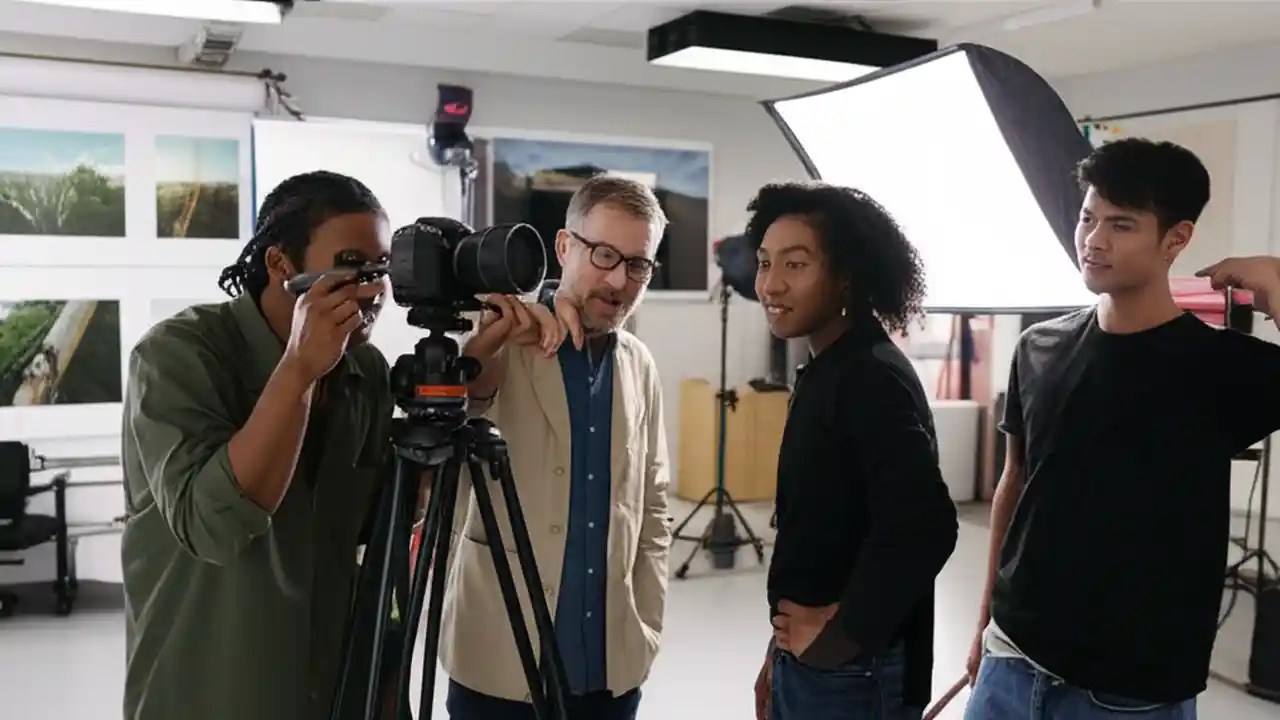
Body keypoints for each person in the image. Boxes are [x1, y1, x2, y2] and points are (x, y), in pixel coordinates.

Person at [120, 170, 562, 720]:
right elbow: (214, 525)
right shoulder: (179, 355)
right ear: (281, 264)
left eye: (381, 270)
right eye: (351, 266)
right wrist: (299, 370)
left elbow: (382, 520)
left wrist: (465, 387)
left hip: (336, 684)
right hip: (212, 687)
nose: (373, 290)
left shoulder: (362, 369)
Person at [964, 138, 1280, 719]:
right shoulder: (1038, 347)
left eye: (1121, 225)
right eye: (1088, 218)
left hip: (1128, 687)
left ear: (1176, 238)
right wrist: (985, 620)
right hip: (1012, 657)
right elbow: (1015, 482)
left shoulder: (1224, 366)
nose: (1094, 240)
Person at [439, 174, 673, 720]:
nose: (619, 280)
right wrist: (493, 339)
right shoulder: (501, 334)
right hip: (498, 657)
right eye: (605, 255)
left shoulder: (639, 364)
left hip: (608, 667)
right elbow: (457, 414)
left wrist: (646, 623)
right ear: (565, 247)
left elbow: (654, 505)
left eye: (638, 265)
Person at [748, 182, 959, 720]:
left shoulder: (869, 377)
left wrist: (841, 632)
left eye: (796, 265)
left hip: (854, 675)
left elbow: (927, 525)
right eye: (765, 262)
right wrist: (780, 652)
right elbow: (823, 538)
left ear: (847, 275)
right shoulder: (831, 367)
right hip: (821, 665)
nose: (771, 284)